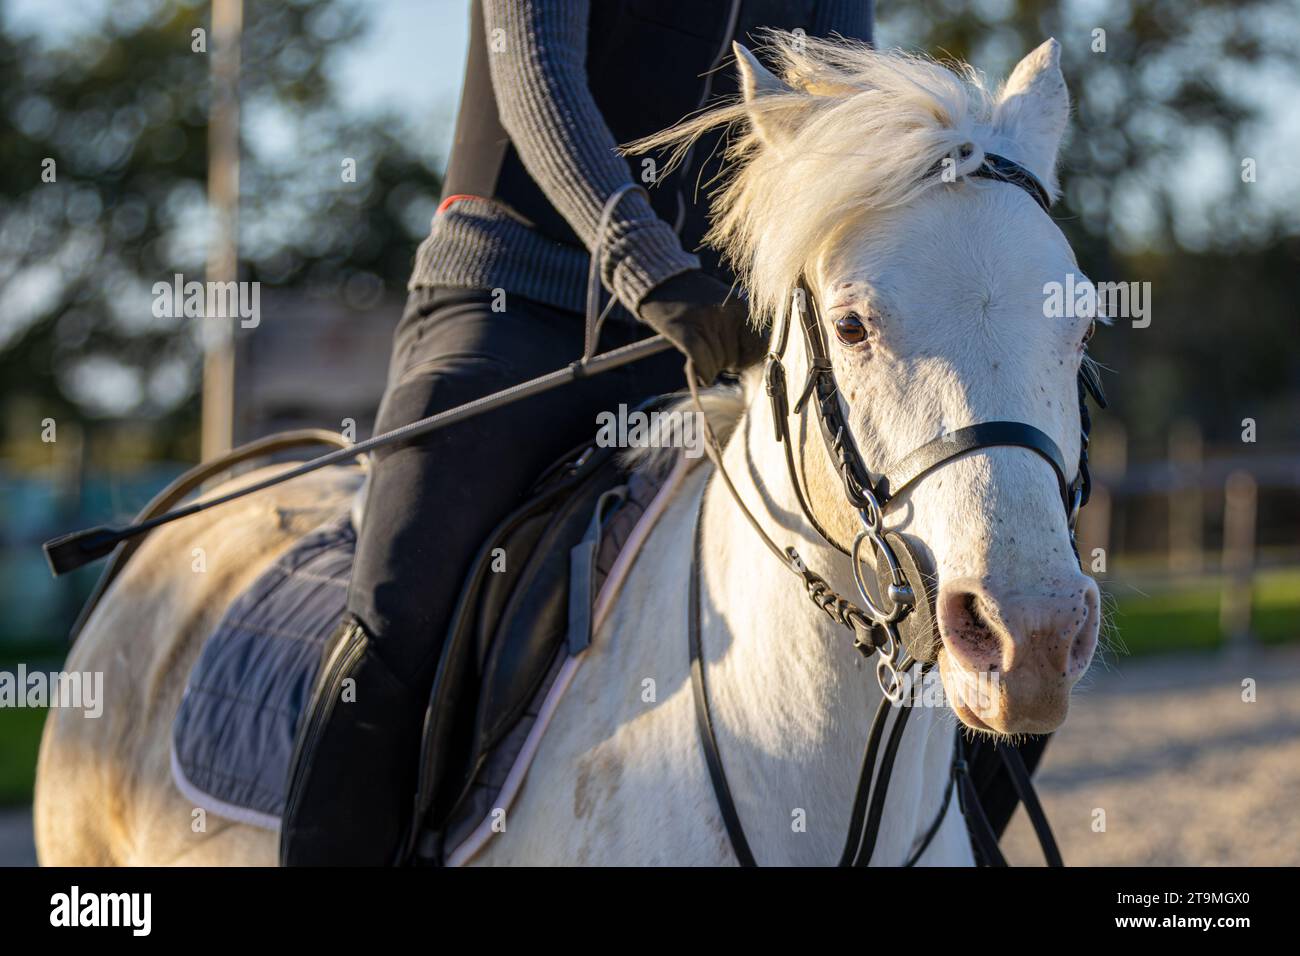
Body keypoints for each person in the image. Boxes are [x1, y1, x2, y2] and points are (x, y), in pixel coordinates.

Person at [279, 1, 878, 866]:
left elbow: (847, 130)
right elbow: (538, 82)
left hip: (720, 333)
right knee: (401, 614)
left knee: (950, 600)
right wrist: (649, 266)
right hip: (513, 302)